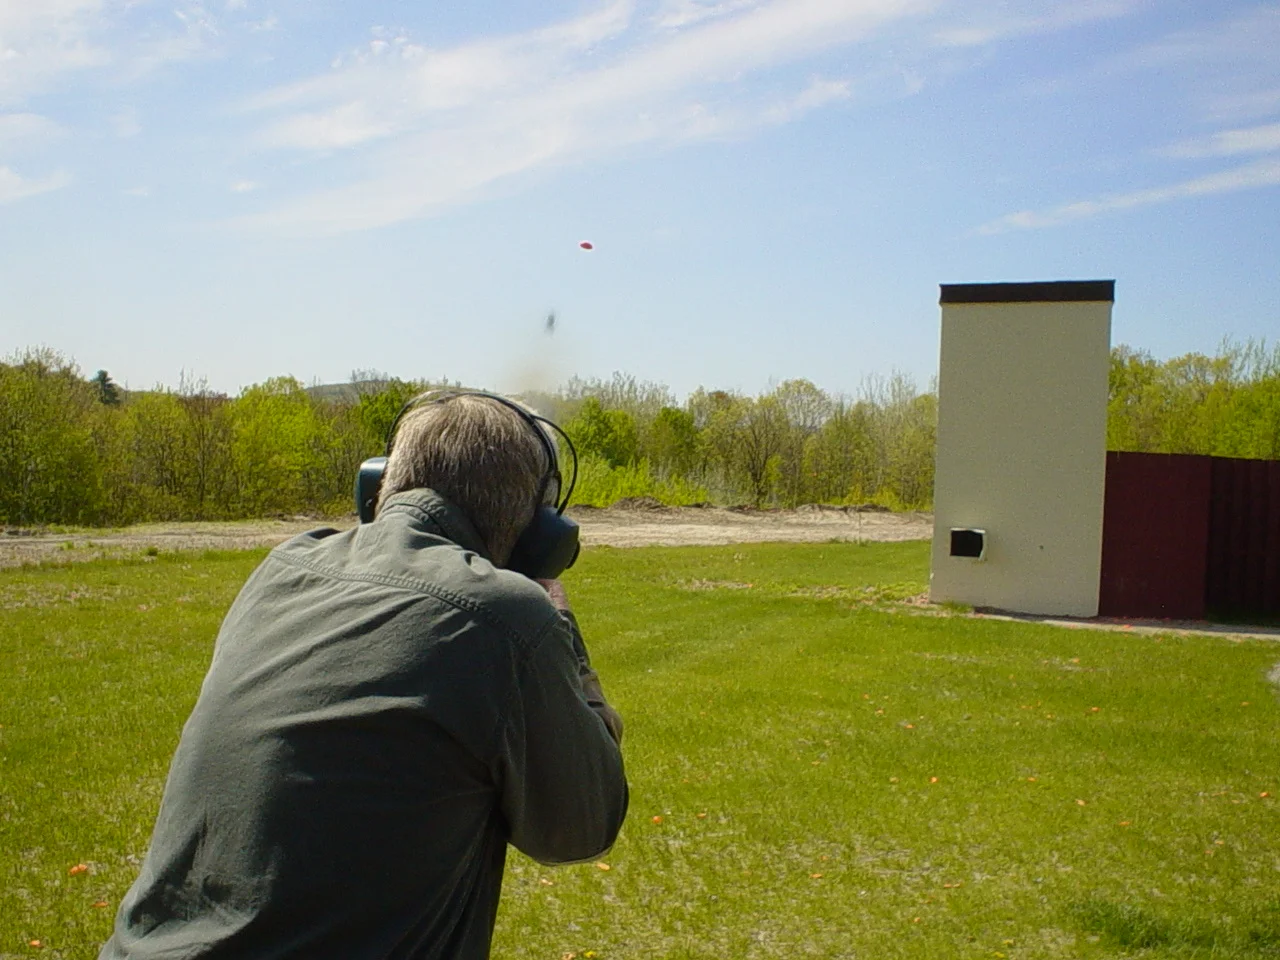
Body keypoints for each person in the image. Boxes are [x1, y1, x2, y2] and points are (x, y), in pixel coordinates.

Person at [100, 392, 628, 960]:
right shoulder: (506, 616)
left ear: (376, 487)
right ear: (538, 537)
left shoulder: (283, 566)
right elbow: (581, 827)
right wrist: (560, 628)